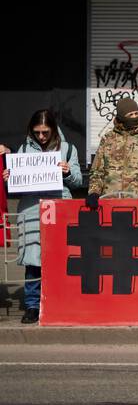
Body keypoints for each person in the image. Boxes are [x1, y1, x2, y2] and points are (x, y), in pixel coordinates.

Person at [0, 110, 82, 324]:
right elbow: (15, 188)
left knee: (60, 257)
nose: (41, 137)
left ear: (53, 129)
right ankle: (32, 305)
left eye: (45, 132)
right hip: (32, 210)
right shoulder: (24, 150)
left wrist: (67, 172)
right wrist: (9, 178)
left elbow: (78, 182)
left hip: (59, 207)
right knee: (33, 260)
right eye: (37, 133)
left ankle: (60, 301)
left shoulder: (67, 149)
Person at [85, 97, 138, 209]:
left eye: (136, 113)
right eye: (130, 115)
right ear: (121, 117)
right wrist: (94, 192)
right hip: (109, 203)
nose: (134, 117)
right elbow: (97, 172)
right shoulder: (108, 139)